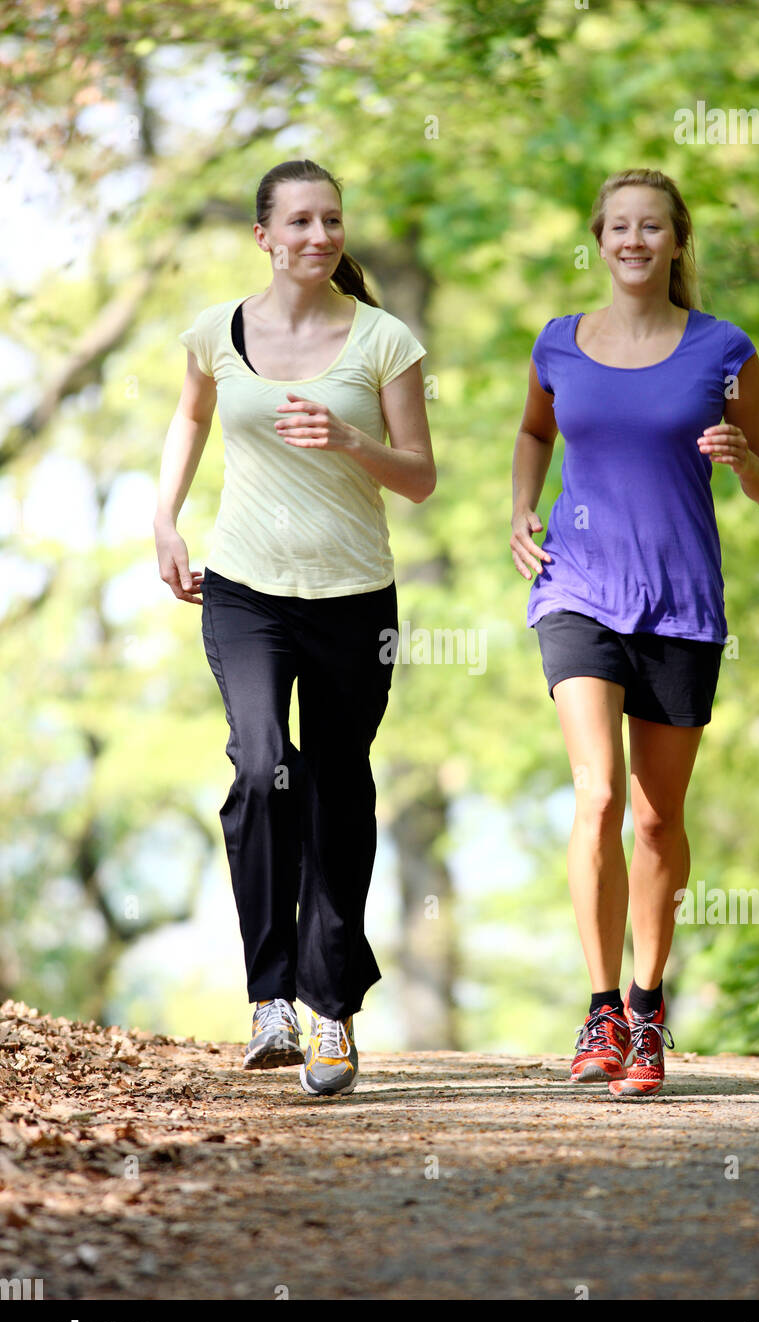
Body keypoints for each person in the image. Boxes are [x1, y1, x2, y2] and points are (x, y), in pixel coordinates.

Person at [154, 159, 434, 1096]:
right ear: (265, 237)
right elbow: (189, 421)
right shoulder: (216, 334)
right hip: (244, 589)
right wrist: (166, 519)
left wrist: (354, 442)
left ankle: (332, 1015)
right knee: (262, 765)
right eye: (301, 222)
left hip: (355, 596)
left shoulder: (386, 342)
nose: (320, 236)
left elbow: (421, 476)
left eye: (333, 221)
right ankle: (270, 996)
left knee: (338, 790)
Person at [510, 168, 759, 1099]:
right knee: (597, 797)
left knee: (660, 815)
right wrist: (520, 510)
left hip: (681, 603)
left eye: (651, 227)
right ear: (599, 237)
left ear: (677, 242)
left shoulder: (724, 350)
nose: (633, 240)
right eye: (618, 226)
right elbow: (536, 433)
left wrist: (745, 456)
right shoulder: (559, 343)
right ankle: (596, 1009)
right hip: (576, 591)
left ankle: (646, 1006)